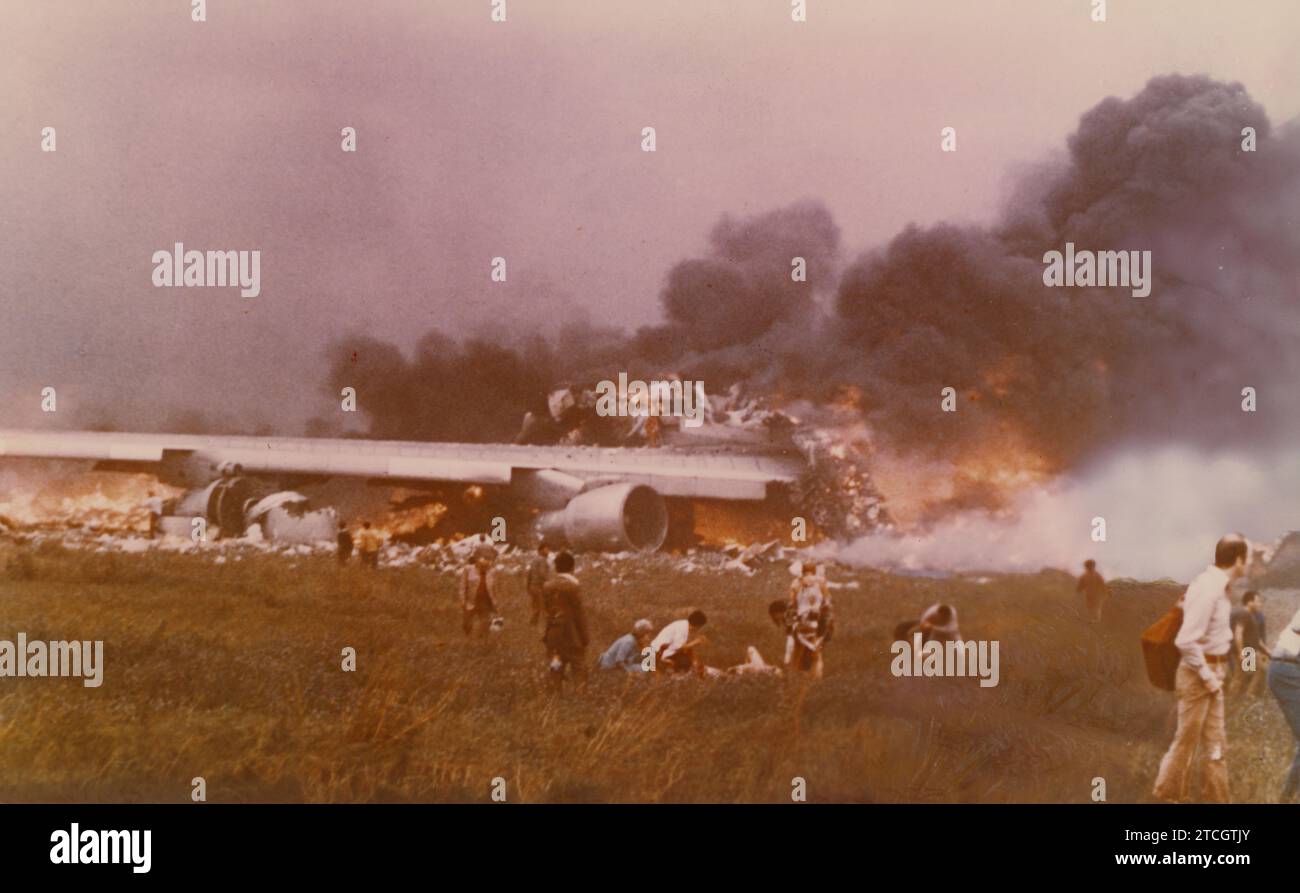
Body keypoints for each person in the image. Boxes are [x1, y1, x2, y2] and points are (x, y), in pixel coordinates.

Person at [1152, 534, 1250, 804]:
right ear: (1238, 559)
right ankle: (1167, 797)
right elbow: (1185, 641)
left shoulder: (1216, 586)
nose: (1248, 563)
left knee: (1216, 744)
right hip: (1200, 676)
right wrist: (1208, 678)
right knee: (1186, 742)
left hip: (1211, 674)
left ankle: (1218, 800)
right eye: (1247, 558)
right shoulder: (1210, 588)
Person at [1267, 604, 1300, 802]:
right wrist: (1248, 666)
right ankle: (1286, 797)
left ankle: (1287, 796)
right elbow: (1245, 642)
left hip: (1287, 666)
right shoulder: (1245, 615)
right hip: (1285, 669)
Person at [541, 551, 589, 690]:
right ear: (572, 567)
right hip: (571, 635)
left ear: (556, 568)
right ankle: (580, 697)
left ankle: (555, 697)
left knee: (556, 664)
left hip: (553, 634)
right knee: (579, 665)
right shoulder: (573, 587)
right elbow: (579, 614)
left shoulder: (547, 586)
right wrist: (584, 637)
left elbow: (547, 612)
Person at [788, 563, 833, 677]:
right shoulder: (821, 582)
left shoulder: (796, 583)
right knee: (816, 650)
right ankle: (817, 676)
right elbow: (827, 602)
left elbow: (792, 603)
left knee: (798, 648)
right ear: (815, 571)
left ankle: (794, 673)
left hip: (801, 620)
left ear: (802, 571)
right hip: (816, 620)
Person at [1228, 591, 1267, 697]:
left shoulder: (1250, 615)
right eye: (1258, 601)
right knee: (1240, 677)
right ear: (1250, 602)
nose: (1260, 604)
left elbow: (1257, 638)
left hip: (1249, 650)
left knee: (1254, 671)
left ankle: (1246, 695)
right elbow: (1238, 633)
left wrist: (1267, 652)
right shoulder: (1244, 614)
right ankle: (1239, 698)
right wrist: (1241, 652)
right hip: (1246, 650)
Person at [649, 610, 708, 676]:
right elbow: (679, 648)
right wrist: (696, 642)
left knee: (687, 659)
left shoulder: (684, 625)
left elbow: (686, 647)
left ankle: (673, 669)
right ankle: (668, 669)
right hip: (658, 651)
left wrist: (694, 661)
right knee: (685, 662)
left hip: (664, 649)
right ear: (697, 626)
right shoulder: (682, 628)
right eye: (699, 627)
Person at [460, 544, 499, 637]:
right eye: (484, 558)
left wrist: (496, 601)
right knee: (467, 622)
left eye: (489, 559)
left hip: (485, 600)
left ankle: (482, 640)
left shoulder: (492, 571)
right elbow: (463, 586)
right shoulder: (468, 569)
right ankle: (467, 636)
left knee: (485, 621)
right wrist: (462, 600)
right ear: (477, 559)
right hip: (471, 600)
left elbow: (495, 587)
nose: (486, 562)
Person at [526, 543, 552, 626]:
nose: (548, 551)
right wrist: (549, 582)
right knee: (545, 607)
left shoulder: (534, 560)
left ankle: (532, 624)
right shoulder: (542, 560)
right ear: (540, 550)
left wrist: (528, 585)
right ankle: (548, 625)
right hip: (540, 586)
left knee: (536, 607)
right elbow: (542, 573)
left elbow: (529, 574)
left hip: (533, 586)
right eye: (546, 549)